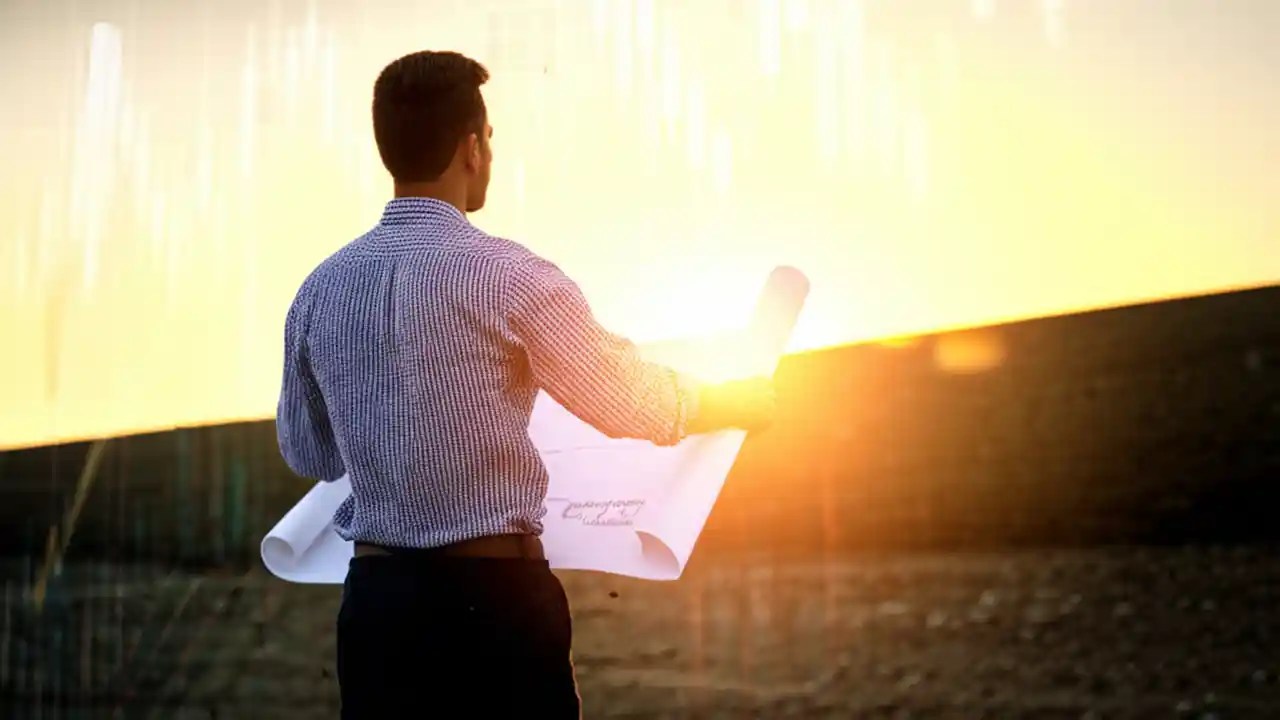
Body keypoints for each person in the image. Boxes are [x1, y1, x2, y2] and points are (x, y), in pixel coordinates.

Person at [275, 49, 777, 719]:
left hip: (378, 606)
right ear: (472, 147)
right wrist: (725, 401)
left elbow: (309, 455)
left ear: (388, 149)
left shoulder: (318, 291)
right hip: (494, 602)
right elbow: (620, 397)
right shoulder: (511, 276)